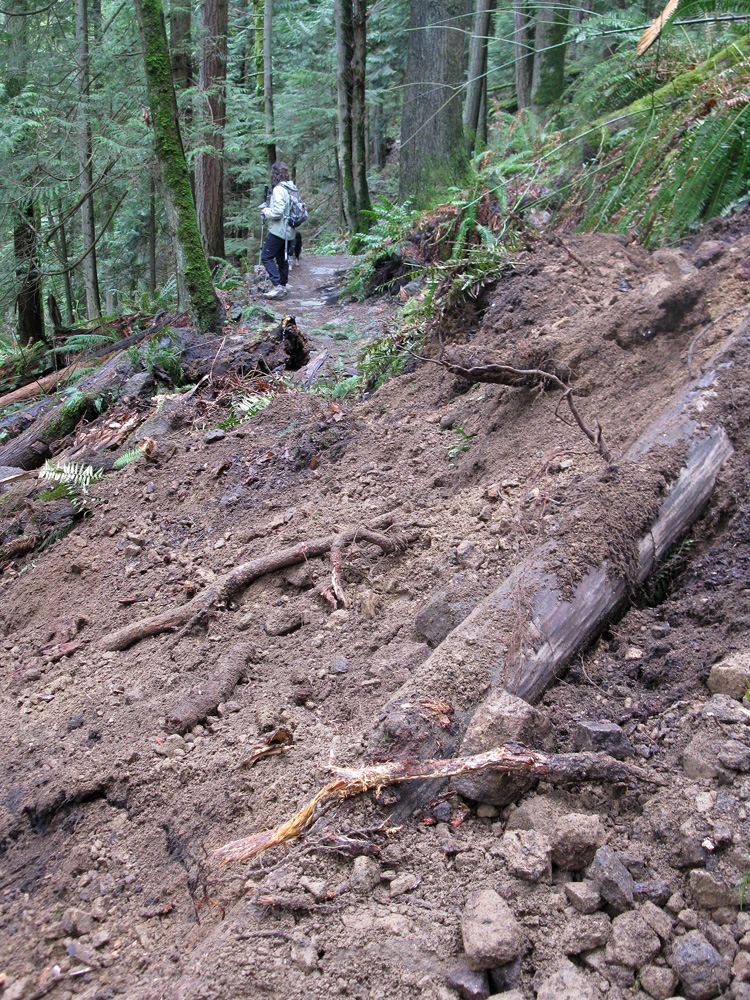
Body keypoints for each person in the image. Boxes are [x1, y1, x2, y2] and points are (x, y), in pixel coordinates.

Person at [259, 161, 298, 299]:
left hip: (279, 230)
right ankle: (282, 284)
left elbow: (277, 212)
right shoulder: (291, 188)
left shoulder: (279, 189)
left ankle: (277, 285)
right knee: (282, 258)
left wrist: (265, 211)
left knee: (266, 256)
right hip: (289, 231)